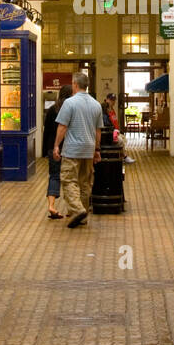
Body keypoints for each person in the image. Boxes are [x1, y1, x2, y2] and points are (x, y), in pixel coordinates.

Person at [52, 71, 102, 228]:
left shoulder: (69, 103)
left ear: (75, 84)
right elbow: (97, 131)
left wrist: (56, 146)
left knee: (68, 180)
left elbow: (62, 126)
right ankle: (83, 217)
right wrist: (96, 150)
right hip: (88, 150)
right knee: (85, 183)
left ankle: (78, 209)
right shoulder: (96, 104)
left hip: (72, 150)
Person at [41, 85, 73, 219]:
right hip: (68, 147)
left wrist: (44, 150)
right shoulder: (71, 109)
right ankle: (72, 208)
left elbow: (46, 131)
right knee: (70, 178)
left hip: (52, 147)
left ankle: (52, 206)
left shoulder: (51, 110)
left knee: (54, 176)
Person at [103, 93, 135, 163]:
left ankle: (122, 156)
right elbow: (107, 123)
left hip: (115, 131)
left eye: (114, 100)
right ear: (107, 100)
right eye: (111, 100)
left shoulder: (112, 109)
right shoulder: (105, 110)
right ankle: (124, 156)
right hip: (110, 133)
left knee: (123, 139)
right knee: (120, 141)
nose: (113, 102)